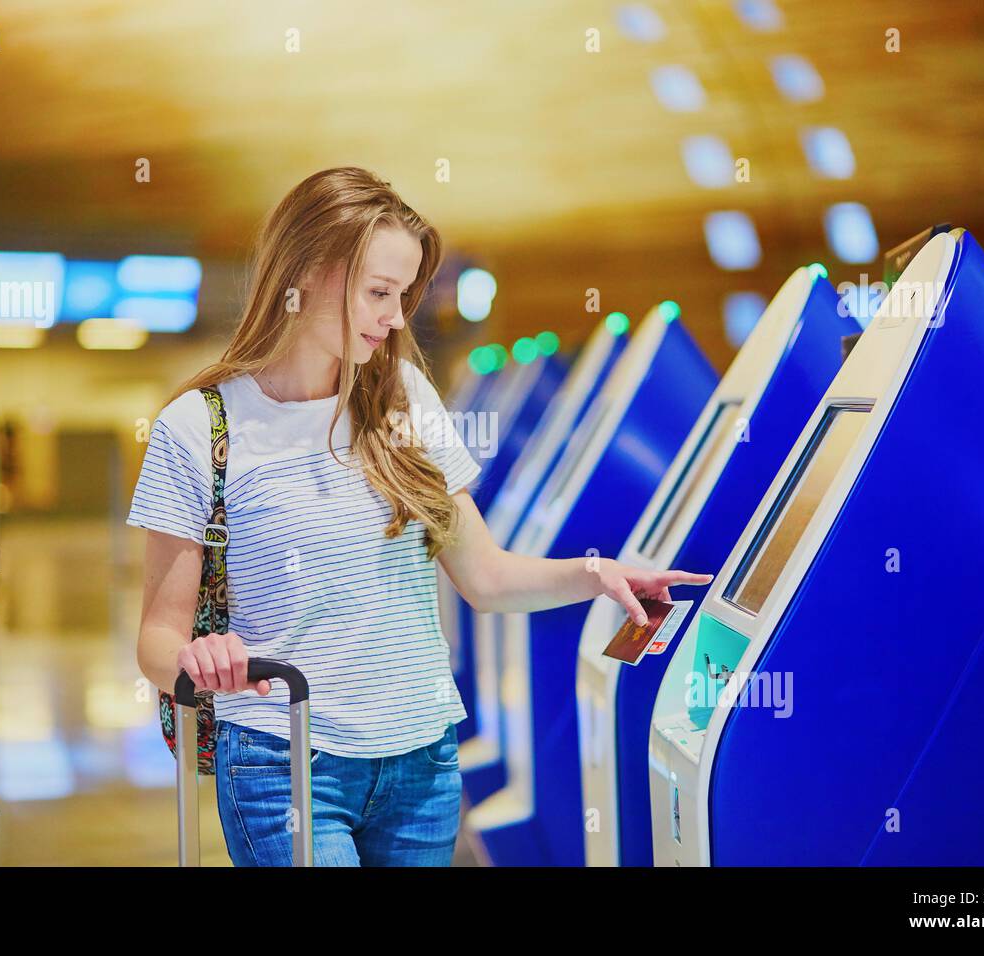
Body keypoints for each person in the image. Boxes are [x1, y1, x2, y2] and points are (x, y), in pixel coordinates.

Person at [128, 165, 711, 866]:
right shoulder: (198, 428)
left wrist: (599, 575)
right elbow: (157, 644)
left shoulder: (402, 399)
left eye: (403, 295)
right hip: (282, 759)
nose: (397, 318)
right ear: (308, 272)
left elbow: (487, 577)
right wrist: (197, 661)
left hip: (423, 762)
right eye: (379, 293)